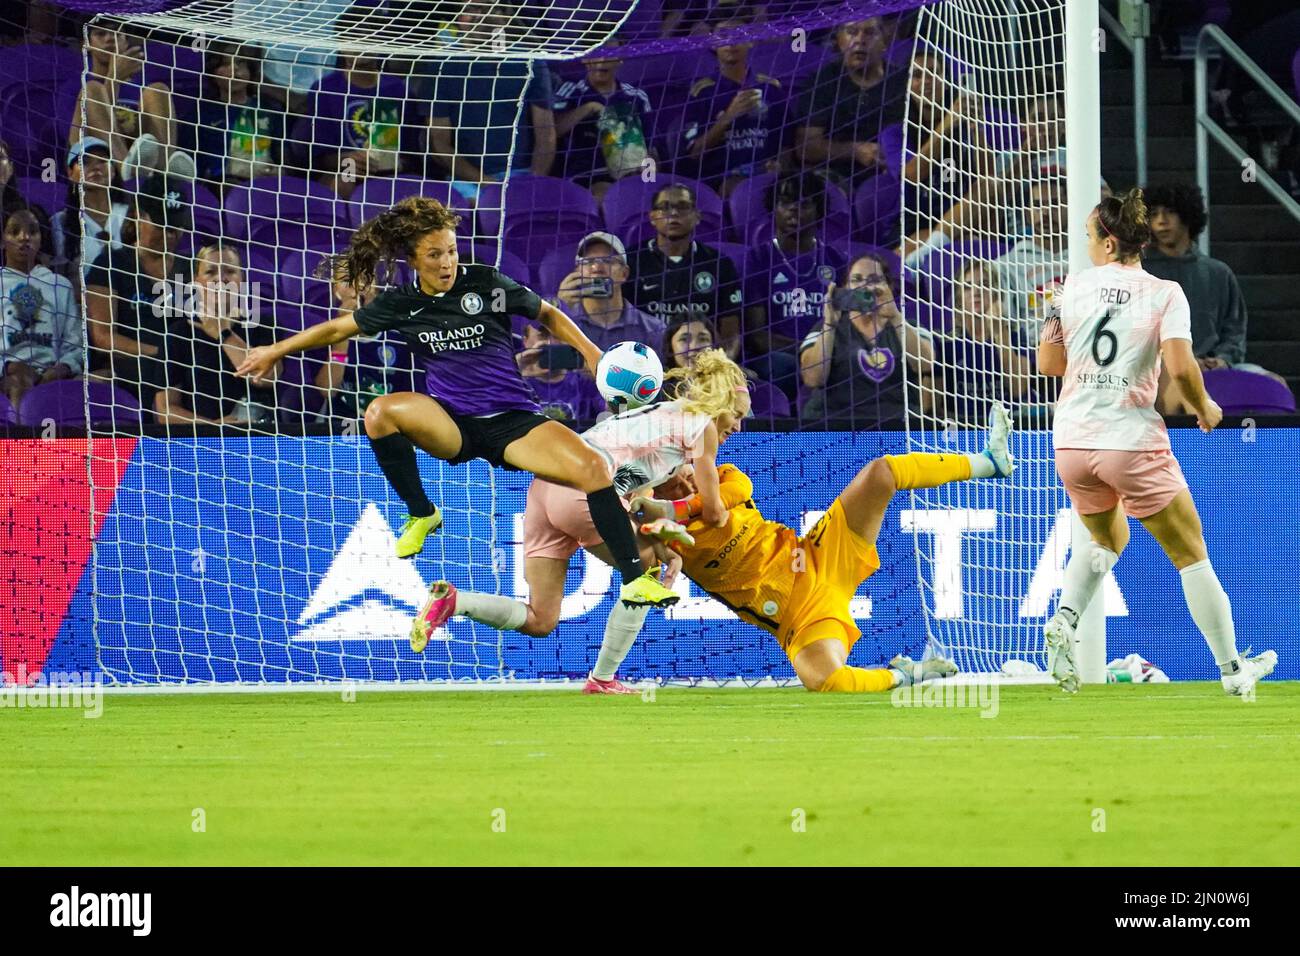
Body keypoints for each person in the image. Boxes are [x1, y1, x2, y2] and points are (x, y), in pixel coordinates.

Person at [235, 196, 678, 609]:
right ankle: (422, 513)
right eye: (434, 254)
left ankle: (635, 578)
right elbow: (335, 331)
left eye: (451, 250)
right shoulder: (402, 304)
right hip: (451, 422)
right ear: (413, 260)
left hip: (514, 422)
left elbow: (546, 313)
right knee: (379, 412)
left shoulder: (485, 283)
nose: (446, 262)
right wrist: (274, 351)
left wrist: (591, 354)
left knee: (594, 470)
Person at [1037, 188, 1277, 697]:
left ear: (1106, 242)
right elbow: (1180, 365)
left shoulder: (1068, 287)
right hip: (1128, 439)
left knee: (1107, 540)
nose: (1085, 244)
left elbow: (1049, 365)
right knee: (1191, 554)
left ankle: (1064, 618)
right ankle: (1235, 672)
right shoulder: (1165, 292)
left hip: (1072, 443)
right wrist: (1204, 405)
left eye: (1087, 236)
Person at [408, 350, 750, 693]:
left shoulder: (659, 417)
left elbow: (636, 497)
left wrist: (663, 527)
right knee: (645, 571)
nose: (737, 425)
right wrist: (687, 512)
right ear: (717, 404)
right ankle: (602, 679)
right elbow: (714, 513)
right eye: (736, 415)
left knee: (541, 619)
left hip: (545, 489)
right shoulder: (701, 428)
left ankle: (454, 601)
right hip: (583, 492)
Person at [620, 405, 1015, 691]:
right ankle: (905, 674)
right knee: (825, 681)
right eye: (675, 480)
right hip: (800, 615)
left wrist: (672, 505)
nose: (688, 480)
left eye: (687, 471)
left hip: (818, 553)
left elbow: (725, 505)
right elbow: (646, 562)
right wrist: (653, 524)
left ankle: (987, 462)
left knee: (882, 473)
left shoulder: (724, 476)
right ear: (653, 485)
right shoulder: (659, 534)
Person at [1140, 181, 1287, 411]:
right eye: (1154, 214)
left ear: (1188, 216)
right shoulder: (1141, 273)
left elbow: (1234, 331)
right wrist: (1182, 361)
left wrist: (1223, 360)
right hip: (1160, 370)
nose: (1161, 221)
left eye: (1170, 212)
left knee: (1276, 387)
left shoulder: (1218, 272)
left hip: (1216, 367)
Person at [84, 175, 192, 409]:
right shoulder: (111, 263)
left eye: (177, 226)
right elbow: (103, 337)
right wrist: (162, 355)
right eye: (162, 226)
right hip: (132, 374)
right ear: (139, 216)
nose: (171, 234)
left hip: (184, 377)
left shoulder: (192, 268)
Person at [798, 251, 934, 424]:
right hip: (835, 424)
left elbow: (926, 364)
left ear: (889, 287)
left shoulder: (909, 326)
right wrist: (829, 326)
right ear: (846, 287)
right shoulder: (826, 327)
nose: (865, 286)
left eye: (874, 280)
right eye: (856, 279)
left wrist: (895, 317)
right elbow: (812, 378)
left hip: (896, 425)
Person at [742, 173, 846, 398]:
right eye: (786, 202)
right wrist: (808, 351)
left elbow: (845, 322)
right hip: (778, 356)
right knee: (783, 367)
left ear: (819, 210)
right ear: (773, 207)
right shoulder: (758, 258)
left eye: (804, 204)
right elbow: (757, 336)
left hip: (827, 351)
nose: (794, 210)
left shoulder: (836, 260)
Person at [154, 243, 279, 427]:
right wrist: (215, 428)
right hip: (202, 443)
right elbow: (165, 410)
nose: (220, 279)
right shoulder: (178, 333)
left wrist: (223, 333)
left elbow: (267, 378)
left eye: (229, 271)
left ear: (241, 280)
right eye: (210, 272)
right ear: (197, 283)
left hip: (260, 436)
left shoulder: (263, 325)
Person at [624, 183, 742, 357]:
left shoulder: (719, 263)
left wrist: (721, 366)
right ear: (652, 217)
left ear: (697, 216)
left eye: (683, 207)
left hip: (701, 359)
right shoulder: (630, 260)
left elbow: (731, 332)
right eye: (664, 207)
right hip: (644, 358)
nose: (673, 213)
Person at [677, 15, 790, 196]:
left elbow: (787, 144)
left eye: (739, 35)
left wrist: (781, 168)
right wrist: (729, 117)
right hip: (721, 181)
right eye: (723, 35)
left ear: (751, 41)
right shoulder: (701, 92)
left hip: (768, 175)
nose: (731, 41)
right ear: (713, 43)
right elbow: (694, 153)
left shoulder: (771, 87)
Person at [74, 25, 196, 181]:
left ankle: (160, 174)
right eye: (101, 33)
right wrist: (114, 79)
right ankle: (126, 167)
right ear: (86, 44)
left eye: (117, 34)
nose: (110, 38)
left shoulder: (140, 87)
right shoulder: (74, 84)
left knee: (158, 90)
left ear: (126, 42)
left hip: (139, 155)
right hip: (94, 159)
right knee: (93, 89)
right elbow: (78, 135)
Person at [793, 18, 904, 189]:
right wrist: (855, 150)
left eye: (870, 32)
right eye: (851, 32)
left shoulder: (903, 82)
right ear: (839, 41)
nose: (860, 40)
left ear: (885, 41)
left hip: (893, 177)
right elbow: (806, 148)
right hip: (834, 179)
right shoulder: (821, 82)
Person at [934, 261, 1036, 427]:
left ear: (996, 294)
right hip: (965, 429)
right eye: (967, 287)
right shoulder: (946, 343)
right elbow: (935, 408)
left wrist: (999, 332)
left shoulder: (1016, 334)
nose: (976, 292)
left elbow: (1019, 390)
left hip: (1011, 427)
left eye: (985, 284)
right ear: (959, 298)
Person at [551, 42, 654, 202]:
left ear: (620, 59)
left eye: (609, 53)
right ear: (585, 58)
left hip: (632, 173)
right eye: (596, 52)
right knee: (606, 196)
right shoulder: (570, 92)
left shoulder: (637, 97)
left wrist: (648, 179)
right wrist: (589, 108)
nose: (601, 60)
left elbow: (652, 148)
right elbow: (553, 131)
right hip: (586, 175)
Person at [1, 207, 81, 408]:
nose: (24, 237)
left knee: (107, 381)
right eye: (14, 231)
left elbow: (75, 343)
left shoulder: (60, 285)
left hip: (53, 372)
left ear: (41, 239)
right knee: (20, 379)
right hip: (9, 373)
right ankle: (23, 439)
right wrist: (8, 367)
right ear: (2, 240)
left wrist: (63, 367)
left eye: (32, 231)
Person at [312, 273, 416, 422]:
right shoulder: (322, 334)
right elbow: (327, 390)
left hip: (387, 424)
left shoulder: (398, 339)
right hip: (337, 426)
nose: (357, 288)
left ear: (376, 289)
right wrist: (343, 335)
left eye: (365, 279)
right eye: (347, 281)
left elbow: (411, 397)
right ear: (335, 291)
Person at [306, 50, 408, 199]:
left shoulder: (397, 89)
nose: (359, 46)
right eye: (353, 36)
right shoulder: (325, 89)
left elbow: (413, 154)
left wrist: (396, 163)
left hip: (390, 172)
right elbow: (321, 159)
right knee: (344, 181)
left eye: (367, 35)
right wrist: (350, 160)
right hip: (347, 168)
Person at [554, 231, 664, 352]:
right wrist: (557, 312)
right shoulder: (562, 321)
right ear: (577, 271)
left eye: (607, 261)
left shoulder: (653, 329)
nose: (597, 268)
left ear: (624, 273)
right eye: (588, 262)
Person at [194, 43, 284, 189]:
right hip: (219, 188)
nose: (234, 69)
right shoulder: (200, 113)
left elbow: (284, 159)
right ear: (212, 73)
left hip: (266, 186)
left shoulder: (271, 111)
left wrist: (279, 172)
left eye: (240, 62)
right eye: (224, 63)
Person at [993, 176, 1068, 345]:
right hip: (1038, 356)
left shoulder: (1088, 256)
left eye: (1054, 203)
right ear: (1027, 213)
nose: (1046, 212)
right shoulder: (1007, 265)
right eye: (1037, 205)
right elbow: (1005, 324)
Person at [51, 138, 129, 288]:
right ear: (70, 172)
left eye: (102, 160)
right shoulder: (60, 223)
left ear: (113, 170)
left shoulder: (131, 215)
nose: (95, 167)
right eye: (85, 162)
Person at [516, 322, 606, 425]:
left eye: (558, 336)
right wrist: (512, 369)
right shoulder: (516, 383)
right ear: (525, 341)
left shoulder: (585, 380)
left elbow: (619, 412)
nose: (551, 343)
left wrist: (599, 373)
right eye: (543, 336)